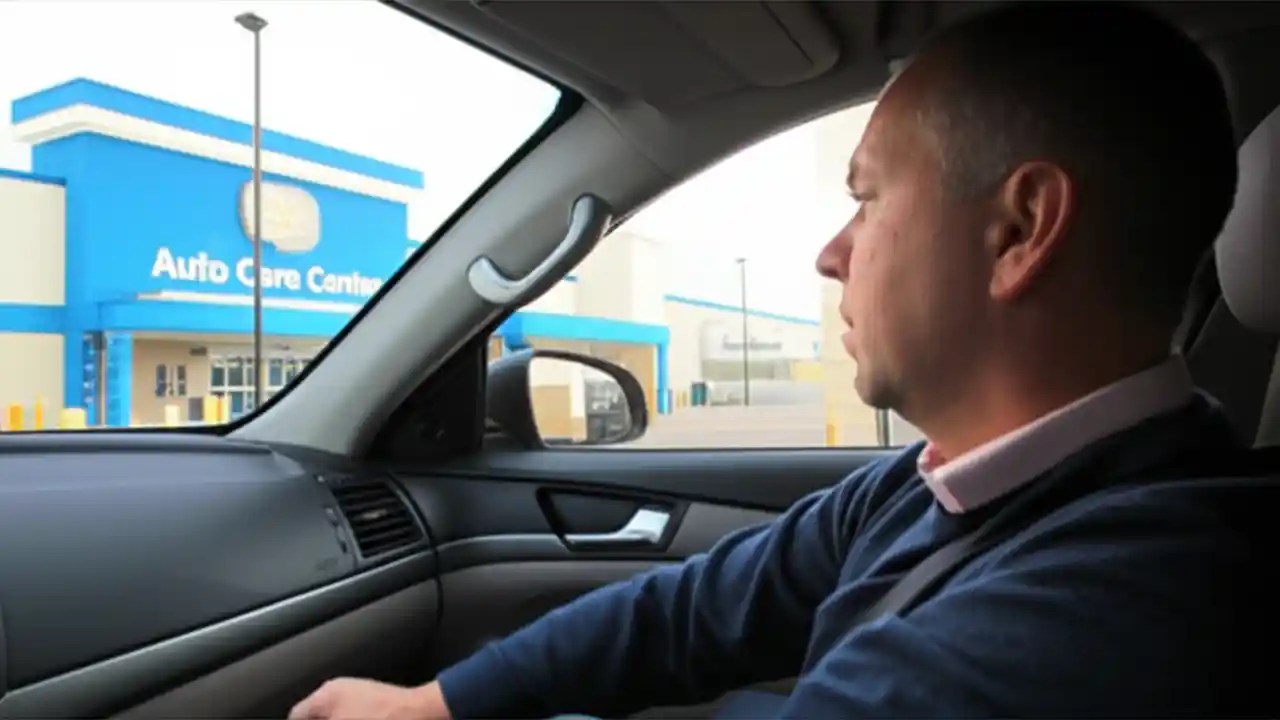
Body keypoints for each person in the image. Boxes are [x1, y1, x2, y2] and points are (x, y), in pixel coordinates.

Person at [290, 2, 1263, 718]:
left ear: (1018, 229)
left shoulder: (1116, 610)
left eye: (867, 199)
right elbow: (693, 611)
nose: (831, 254)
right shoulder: (937, 485)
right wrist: (435, 706)